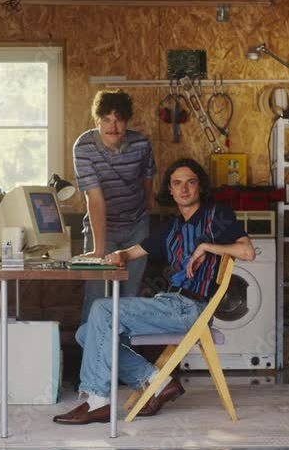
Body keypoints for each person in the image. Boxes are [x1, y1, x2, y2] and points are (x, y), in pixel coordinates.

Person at [54, 158, 256, 425]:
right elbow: (131, 253)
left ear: (199, 187)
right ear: (170, 191)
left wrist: (207, 247)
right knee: (86, 332)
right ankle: (157, 382)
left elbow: (247, 251)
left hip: (191, 308)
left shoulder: (216, 217)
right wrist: (115, 256)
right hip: (170, 302)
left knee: (101, 309)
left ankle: (97, 401)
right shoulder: (171, 228)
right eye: (177, 184)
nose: (184, 189)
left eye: (190, 183)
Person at [73, 89, 157, 323]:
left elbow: (148, 181)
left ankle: (122, 357)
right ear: (97, 121)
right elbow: (95, 199)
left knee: (129, 298)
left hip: (136, 226)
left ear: (126, 121)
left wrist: (143, 215)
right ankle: (91, 357)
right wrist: (100, 250)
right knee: (97, 297)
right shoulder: (84, 147)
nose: (113, 126)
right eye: (107, 120)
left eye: (118, 119)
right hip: (103, 227)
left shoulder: (142, 144)